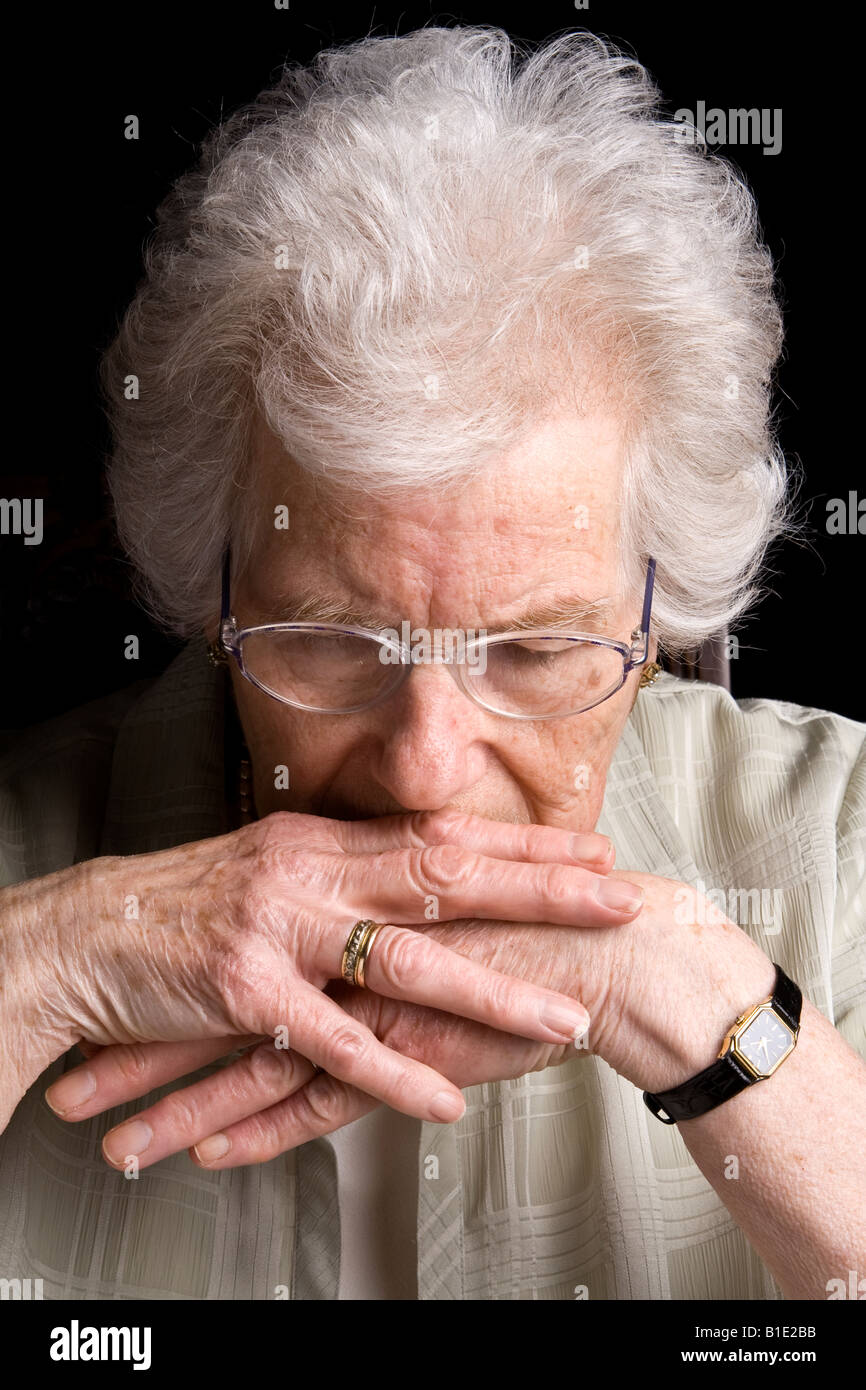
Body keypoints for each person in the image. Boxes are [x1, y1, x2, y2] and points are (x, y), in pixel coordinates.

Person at [1, 24, 863, 1302]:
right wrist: (45, 960)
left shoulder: (838, 836)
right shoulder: (18, 846)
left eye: (535, 648)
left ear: (655, 614)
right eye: (329, 640)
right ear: (215, 594)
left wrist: (686, 995)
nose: (423, 769)